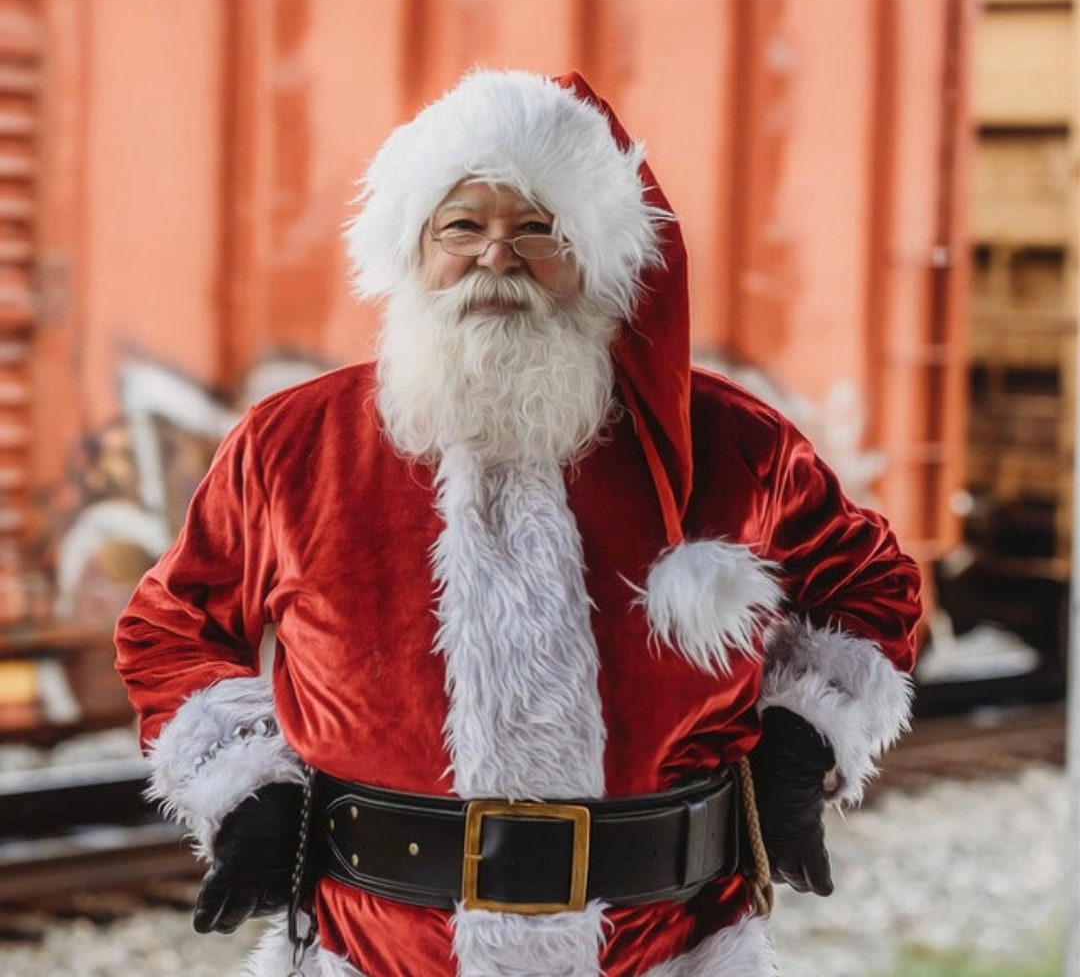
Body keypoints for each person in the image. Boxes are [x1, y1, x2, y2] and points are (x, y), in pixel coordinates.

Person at [114, 68, 922, 977]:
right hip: (376, 954)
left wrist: (800, 738)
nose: (497, 259)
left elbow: (872, 585)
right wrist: (246, 785)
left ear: (594, 255)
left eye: (537, 228)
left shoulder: (732, 441)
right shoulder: (292, 445)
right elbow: (173, 625)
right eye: (463, 226)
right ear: (412, 251)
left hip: (669, 952)